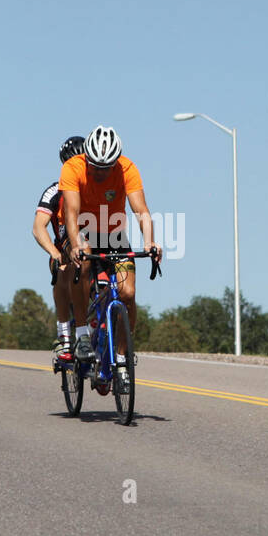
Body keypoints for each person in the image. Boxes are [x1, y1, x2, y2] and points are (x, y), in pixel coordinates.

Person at [59, 125, 161, 384]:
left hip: (114, 235)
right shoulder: (73, 167)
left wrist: (150, 242)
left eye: (106, 168)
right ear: (87, 160)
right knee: (81, 264)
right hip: (83, 230)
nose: (101, 173)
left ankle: (123, 358)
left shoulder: (127, 168)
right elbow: (71, 212)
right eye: (95, 167)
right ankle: (82, 334)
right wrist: (74, 245)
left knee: (128, 293)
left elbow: (142, 211)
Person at [33, 135, 85, 360]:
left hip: (96, 241)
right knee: (62, 271)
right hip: (65, 246)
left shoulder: (95, 187)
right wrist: (55, 255)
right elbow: (38, 227)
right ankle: (64, 337)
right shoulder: (54, 192)